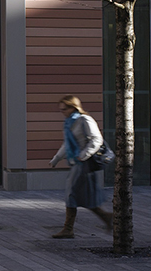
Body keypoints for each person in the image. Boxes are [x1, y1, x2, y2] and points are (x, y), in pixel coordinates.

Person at [48, 94, 112, 238]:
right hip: (77, 163)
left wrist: (83, 155)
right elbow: (68, 144)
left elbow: (97, 140)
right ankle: (107, 217)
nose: (62, 112)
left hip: (84, 164)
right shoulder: (70, 122)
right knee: (81, 196)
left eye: (64, 109)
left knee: (73, 194)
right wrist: (56, 159)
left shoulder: (84, 120)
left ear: (73, 107)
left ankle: (68, 229)